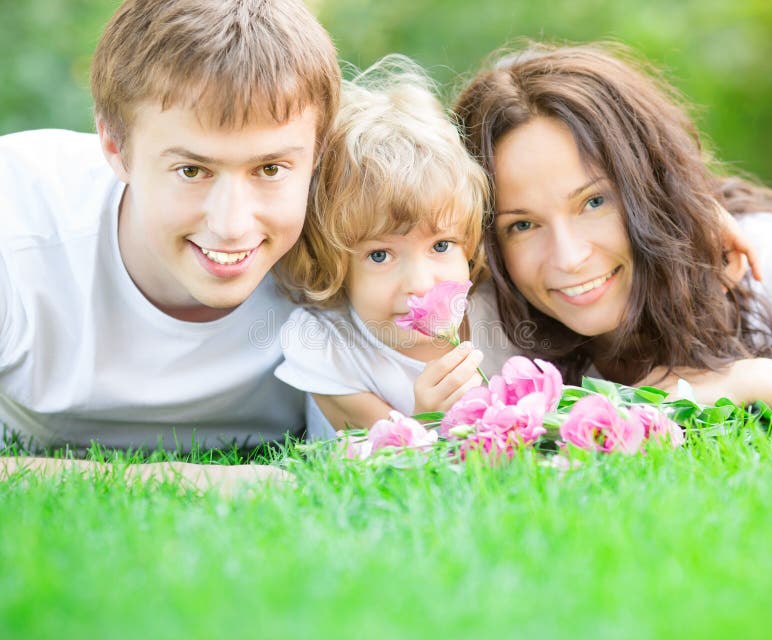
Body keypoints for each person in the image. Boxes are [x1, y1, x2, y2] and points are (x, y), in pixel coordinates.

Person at [0, 0, 340, 455]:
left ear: (318, 153)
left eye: (271, 169)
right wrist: (194, 481)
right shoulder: (17, 222)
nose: (232, 225)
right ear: (115, 148)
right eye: (192, 171)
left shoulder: (357, 242)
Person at [453, 42, 772, 413]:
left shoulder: (770, 263)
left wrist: (746, 378)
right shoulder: (489, 327)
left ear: (652, 189)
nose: (569, 258)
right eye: (522, 225)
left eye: (594, 202)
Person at [274, 57, 519, 436]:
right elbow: (387, 458)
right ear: (335, 264)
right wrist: (427, 418)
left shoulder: (499, 316)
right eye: (379, 255)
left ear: (469, 244)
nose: (420, 284)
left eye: (441, 246)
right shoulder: (328, 347)